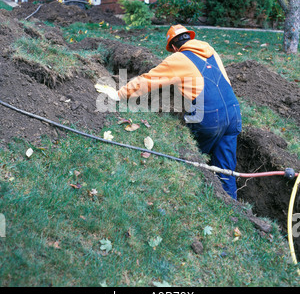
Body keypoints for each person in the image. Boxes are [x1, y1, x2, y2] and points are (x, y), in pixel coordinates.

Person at [98, 25, 242, 199]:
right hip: (233, 112)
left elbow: (148, 80)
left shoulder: (178, 59)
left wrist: (120, 94)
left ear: (173, 47)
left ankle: (195, 199)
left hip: (210, 118)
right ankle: (232, 211)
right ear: (190, 38)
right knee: (225, 169)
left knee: (195, 162)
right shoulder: (209, 50)